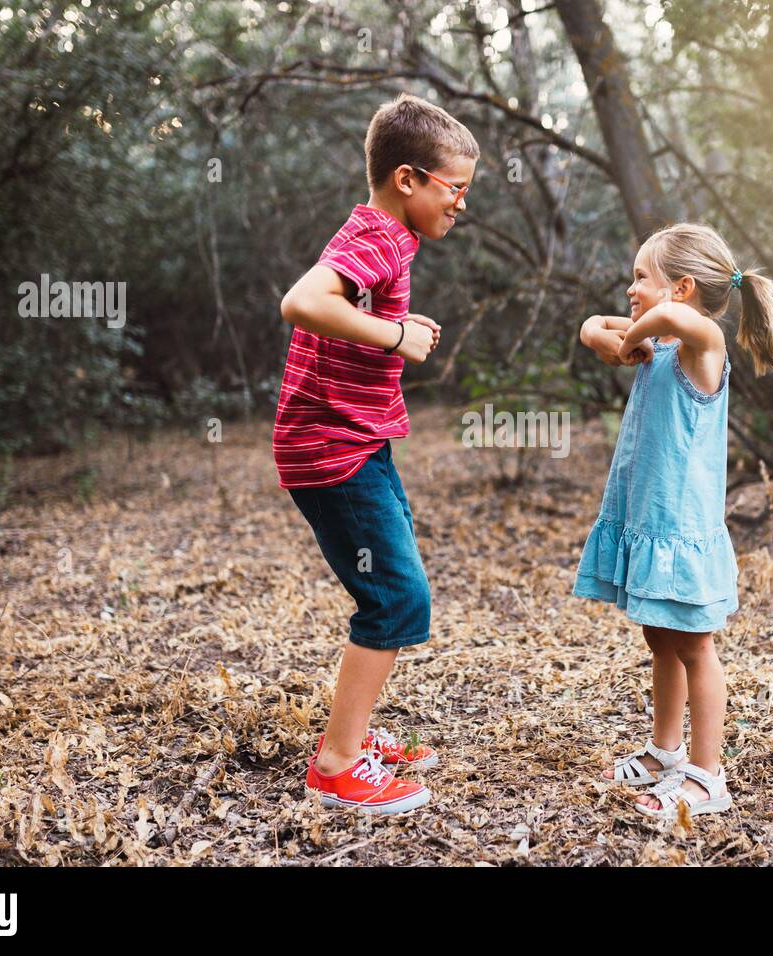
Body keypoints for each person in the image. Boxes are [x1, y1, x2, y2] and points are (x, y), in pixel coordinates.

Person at [274, 92, 478, 814]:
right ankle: (335, 764)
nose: (460, 204)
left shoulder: (387, 237)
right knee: (396, 597)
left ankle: (354, 736)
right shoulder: (377, 237)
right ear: (408, 179)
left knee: (393, 585)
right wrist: (393, 336)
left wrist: (387, 320)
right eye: (454, 189)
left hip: (359, 441)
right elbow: (301, 301)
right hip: (331, 449)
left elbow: (341, 312)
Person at [576, 222, 773, 819]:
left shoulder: (701, 344)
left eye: (641, 277)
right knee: (659, 636)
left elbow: (678, 322)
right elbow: (597, 327)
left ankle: (706, 777)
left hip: (683, 532)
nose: (630, 289)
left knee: (695, 646)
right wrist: (603, 333)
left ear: (684, 287)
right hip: (651, 521)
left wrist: (629, 336)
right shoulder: (664, 343)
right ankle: (664, 752)